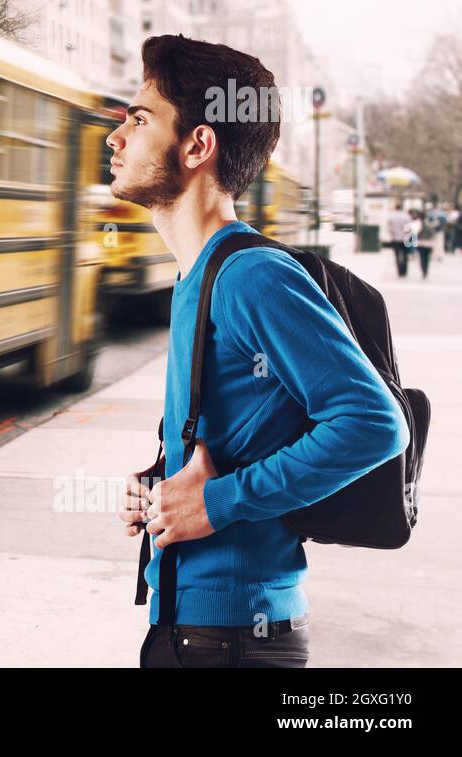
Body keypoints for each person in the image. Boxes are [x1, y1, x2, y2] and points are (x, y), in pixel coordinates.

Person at [109, 35, 410, 668]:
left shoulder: (251, 277)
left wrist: (215, 503)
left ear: (198, 144)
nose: (117, 137)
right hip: (194, 630)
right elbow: (238, 433)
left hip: (233, 643)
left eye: (139, 120)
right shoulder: (199, 276)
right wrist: (164, 486)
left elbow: (374, 423)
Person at [384, 200, 411, 277]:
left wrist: (392, 234)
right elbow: (409, 228)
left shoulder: (392, 216)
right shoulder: (406, 216)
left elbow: (388, 228)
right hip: (405, 238)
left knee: (397, 255)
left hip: (395, 239)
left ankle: (399, 271)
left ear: (395, 208)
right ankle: (404, 271)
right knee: (405, 256)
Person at [409, 208, 434, 278]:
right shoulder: (429, 223)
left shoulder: (417, 223)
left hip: (420, 242)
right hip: (428, 243)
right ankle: (426, 270)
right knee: (427, 257)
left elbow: (414, 233)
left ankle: (423, 270)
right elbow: (432, 233)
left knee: (422, 257)